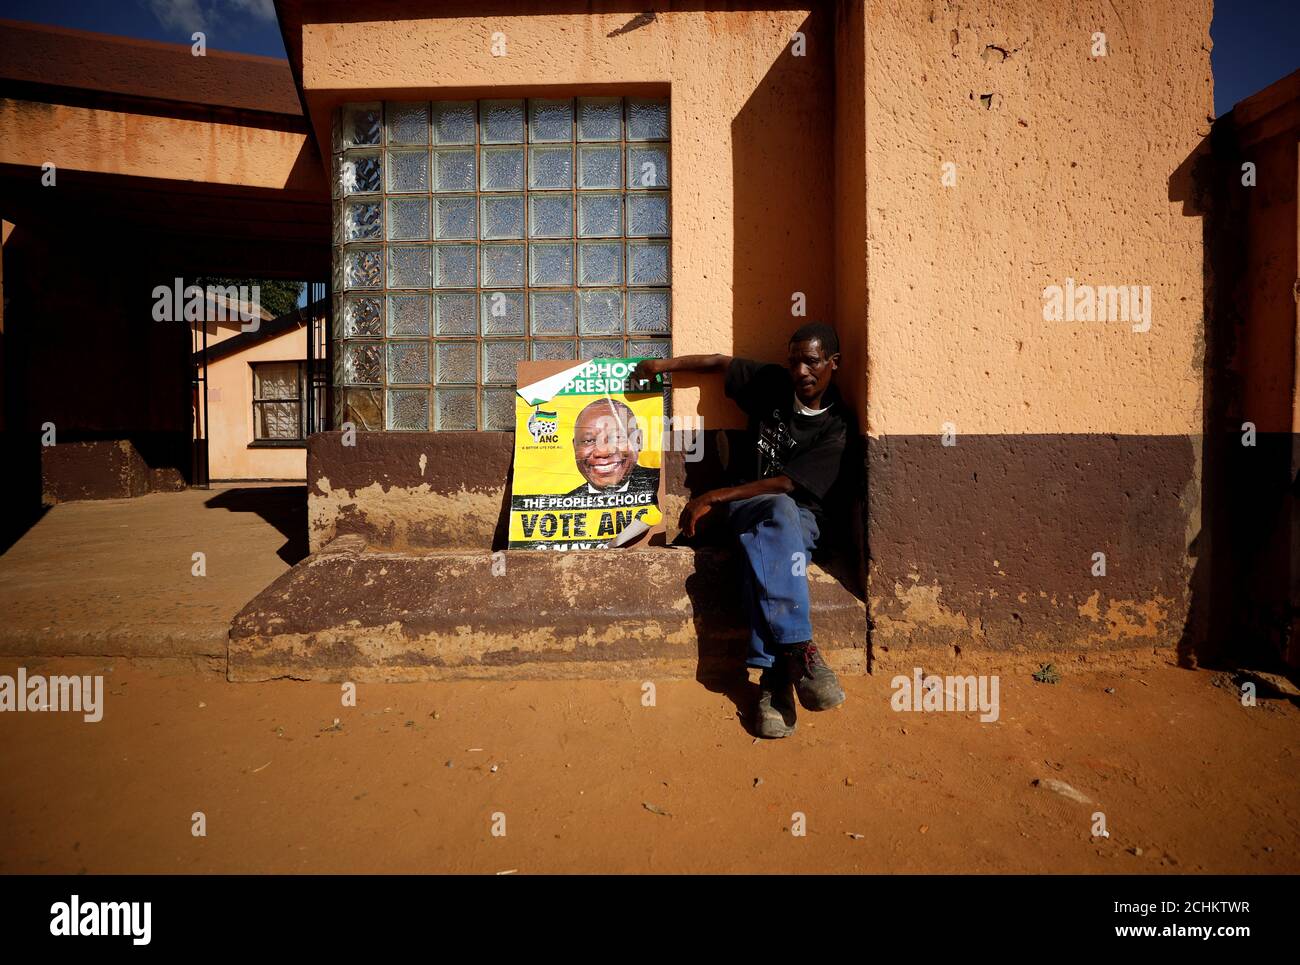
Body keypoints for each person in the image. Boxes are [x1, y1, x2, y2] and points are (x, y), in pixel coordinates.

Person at [630, 323, 852, 739]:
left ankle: (772, 681)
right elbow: (716, 363)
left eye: (813, 361)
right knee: (769, 528)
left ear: (833, 364)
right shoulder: (771, 383)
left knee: (767, 545)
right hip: (747, 510)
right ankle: (800, 650)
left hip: (799, 522)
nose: (801, 371)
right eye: (795, 361)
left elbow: (788, 484)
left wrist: (714, 495)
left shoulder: (837, 425)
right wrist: (662, 365)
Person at [563, 398, 660, 498]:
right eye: (589, 441)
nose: (603, 452)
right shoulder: (565, 506)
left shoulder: (666, 483)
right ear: (575, 447)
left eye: (616, 438)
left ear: (638, 440)